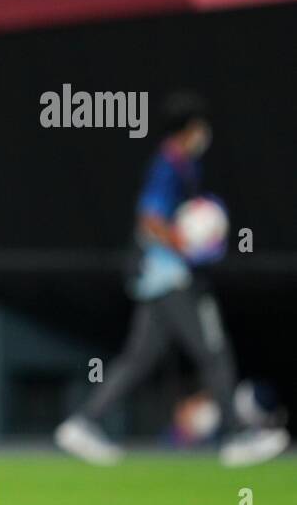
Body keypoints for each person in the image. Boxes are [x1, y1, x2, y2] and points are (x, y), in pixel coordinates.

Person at [54, 91, 290, 468]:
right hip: (172, 279)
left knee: (139, 358)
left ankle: (83, 423)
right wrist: (181, 240)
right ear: (189, 129)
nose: (204, 134)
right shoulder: (168, 165)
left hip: (163, 280)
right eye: (200, 127)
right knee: (213, 352)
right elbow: (148, 220)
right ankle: (236, 434)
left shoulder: (183, 165)